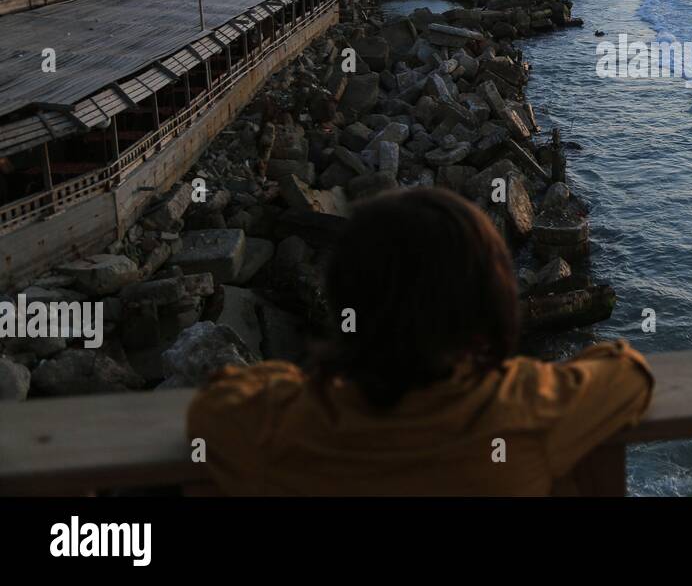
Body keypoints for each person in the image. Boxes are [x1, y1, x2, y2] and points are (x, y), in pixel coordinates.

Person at [188, 188, 653, 495]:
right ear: (490, 308)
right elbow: (628, 373)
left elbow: (215, 404)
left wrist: (296, 379)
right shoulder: (523, 409)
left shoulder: (287, 428)